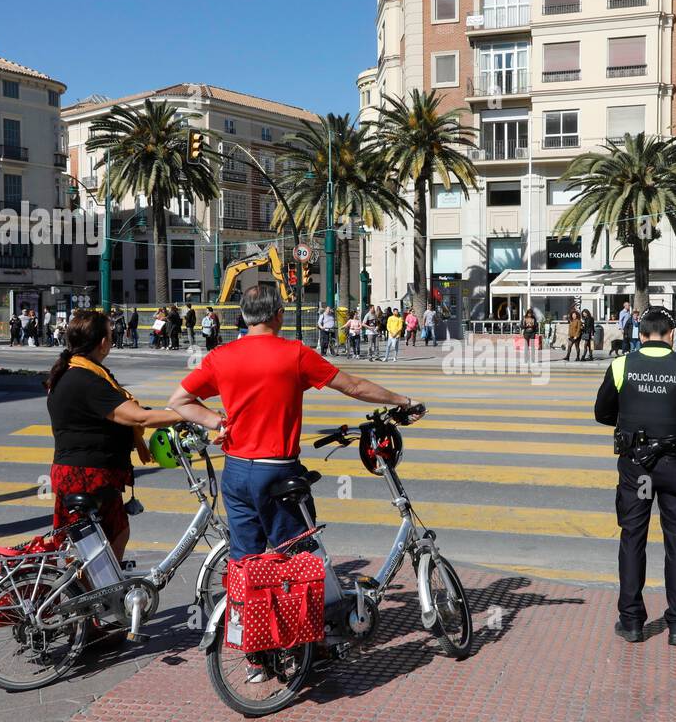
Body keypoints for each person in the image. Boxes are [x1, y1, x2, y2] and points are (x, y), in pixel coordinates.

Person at [168, 285, 419, 678]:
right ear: (278, 315)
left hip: (235, 470)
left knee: (245, 560)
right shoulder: (294, 354)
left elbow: (178, 401)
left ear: (244, 316)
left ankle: (254, 652)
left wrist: (217, 421)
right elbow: (352, 386)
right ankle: (310, 641)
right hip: (277, 471)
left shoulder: (221, 357)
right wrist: (401, 400)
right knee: (300, 557)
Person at [594, 306, 676, 647]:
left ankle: (632, 622)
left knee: (632, 538)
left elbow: (601, 412)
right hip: (675, 466)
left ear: (641, 334)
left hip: (637, 467)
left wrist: (632, 424)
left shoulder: (621, 365)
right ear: (671, 334)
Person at [45, 309, 181, 560]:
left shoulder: (75, 372)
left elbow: (123, 411)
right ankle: (90, 595)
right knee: (92, 546)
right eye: (109, 334)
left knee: (114, 535)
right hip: (88, 475)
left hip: (83, 471)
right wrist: (184, 414)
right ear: (103, 343)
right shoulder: (86, 379)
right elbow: (137, 416)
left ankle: (102, 591)